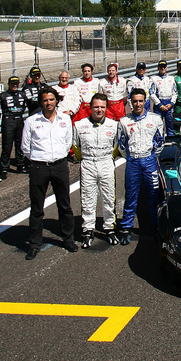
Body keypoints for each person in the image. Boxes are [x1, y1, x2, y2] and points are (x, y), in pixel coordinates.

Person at [21, 86, 78, 260]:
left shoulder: (65, 119)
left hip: (60, 165)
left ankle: (68, 239)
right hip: (39, 167)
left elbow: (68, 142)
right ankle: (34, 243)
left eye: (51, 99)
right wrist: (39, 159)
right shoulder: (31, 121)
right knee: (37, 207)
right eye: (45, 100)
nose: (48, 103)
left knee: (64, 205)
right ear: (41, 102)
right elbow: (25, 147)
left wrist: (58, 156)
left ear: (56, 101)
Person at [117, 88, 166, 244]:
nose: (138, 104)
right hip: (133, 161)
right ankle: (126, 226)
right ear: (131, 103)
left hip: (149, 160)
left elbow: (160, 142)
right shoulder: (124, 121)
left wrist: (151, 156)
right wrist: (131, 157)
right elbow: (121, 145)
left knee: (154, 194)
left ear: (145, 101)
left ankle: (156, 225)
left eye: (140, 101)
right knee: (131, 195)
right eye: (135, 101)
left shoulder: (156, 119)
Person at [72, 93, 121, 248]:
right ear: (90, 108)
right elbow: (75, 145)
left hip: (106, 162)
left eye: (102, 107)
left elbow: (117, 145)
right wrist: (83, 159)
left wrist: (109, 158)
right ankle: (88, 229)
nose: (99, 110)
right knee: (88, 198)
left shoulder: (114, 125)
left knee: (109, 197)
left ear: (106, 108)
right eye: (96, 107)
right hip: (88, 163)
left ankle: (109, 227)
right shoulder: (79, 125)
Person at [0, 76, 28, 178]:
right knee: (7, 146)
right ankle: (4, 168)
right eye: (13, 84)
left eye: (16, 84)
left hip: (19, 120)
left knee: (20, 144)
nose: (15, 85)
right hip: (8, 121)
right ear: (9, 84)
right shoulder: (3, 96)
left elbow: (24, 106)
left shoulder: (22, 94)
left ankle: (21, 165)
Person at [150, 60, 178, 134]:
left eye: (164, 67)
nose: (162, 68)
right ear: (158, 68)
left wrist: (171, 103)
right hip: (159, 105)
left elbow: (175, 93)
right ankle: (160, 140)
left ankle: (171, 139)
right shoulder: (154, 79)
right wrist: (159, 104)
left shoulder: (171, 78)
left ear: (166, 68)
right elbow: (151, 93)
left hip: (169, 104)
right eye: (161, 67)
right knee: (158, 126)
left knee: (170, 125)